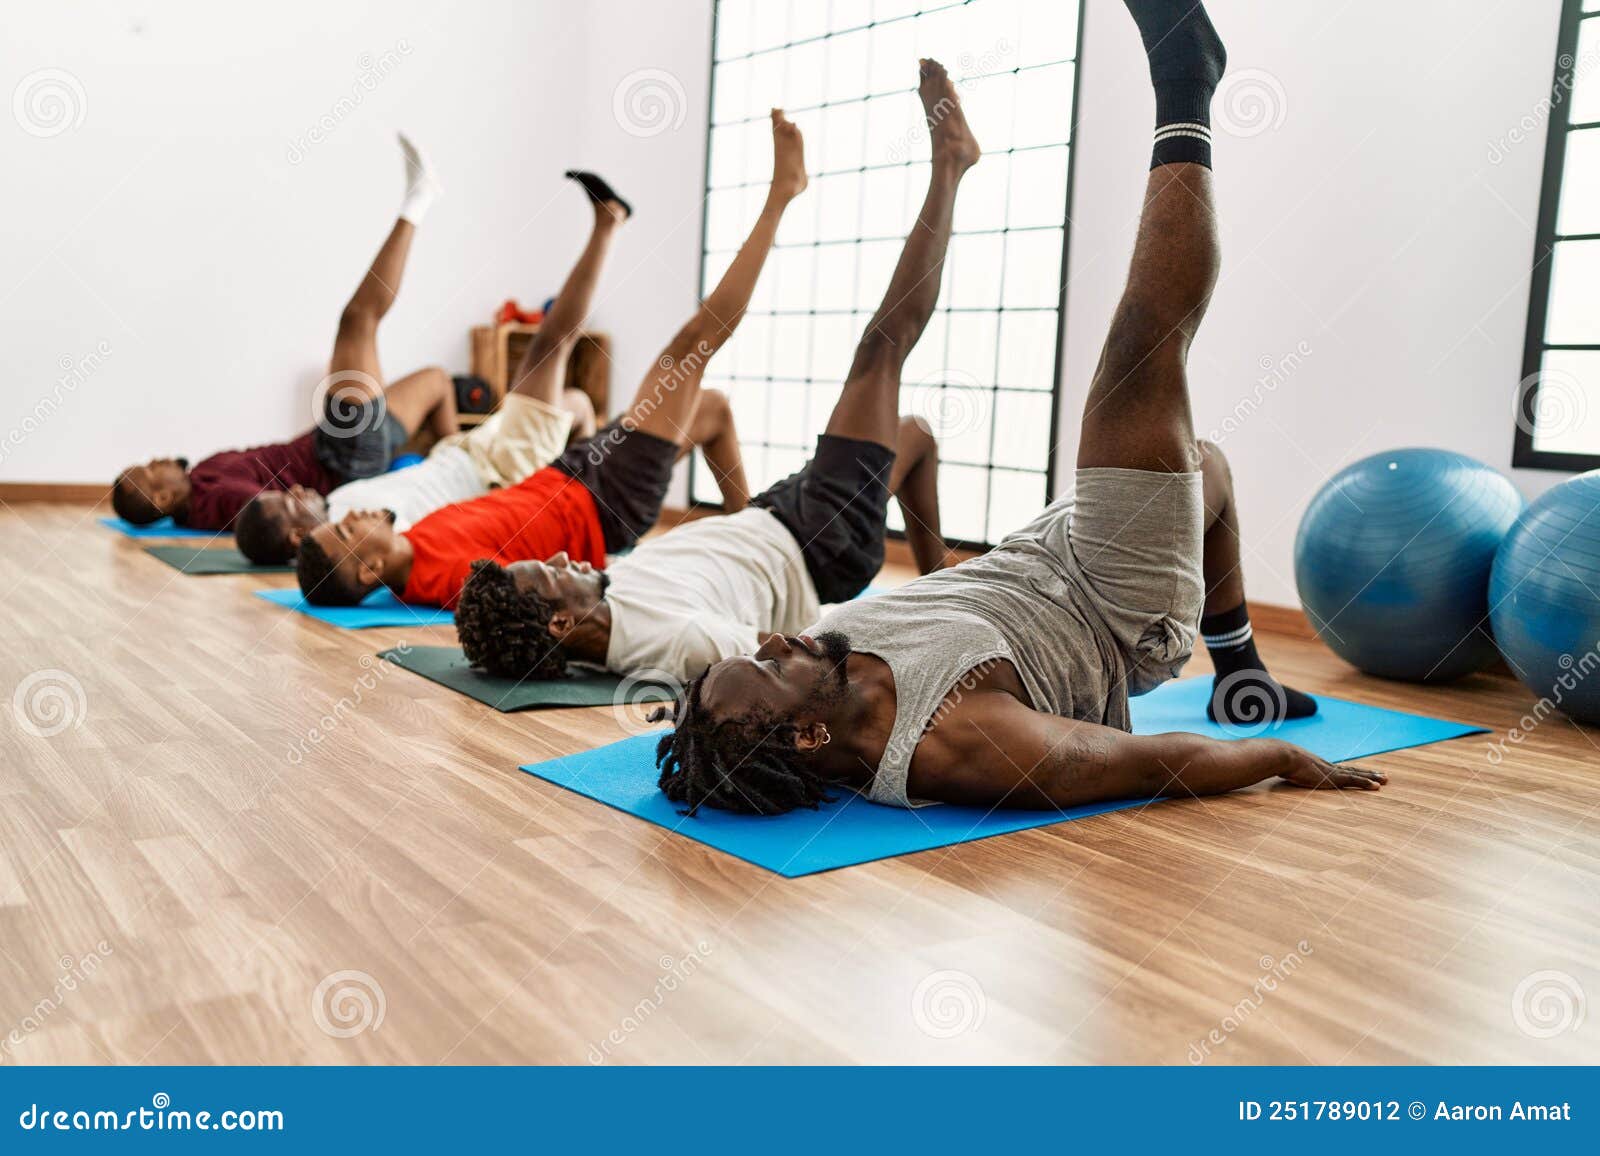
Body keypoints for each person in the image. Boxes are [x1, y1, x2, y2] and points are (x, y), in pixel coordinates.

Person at [654, 5, 1378, 819]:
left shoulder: (817, 676)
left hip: (1040, 559)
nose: (778, 638)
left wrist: (698, 714)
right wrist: (1272, 757)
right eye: (774, 665)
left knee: (1202, 464)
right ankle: (1188, 79)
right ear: (811, 739)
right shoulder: (959, 744)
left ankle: (1242, 670)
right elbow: (1141, 762)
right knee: (1139, 359)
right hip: (1115, 602)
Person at [296, 109, 809, 610]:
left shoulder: (414, 538)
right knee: (692, 347)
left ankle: (757, 551)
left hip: (570, 476)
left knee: (713, 409)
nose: (353, 513)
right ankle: (780, 197)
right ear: (368, 569)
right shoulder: (447, 581)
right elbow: (541, 595)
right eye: (346, 529)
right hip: (602, 505)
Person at [233, 169, 640, 563]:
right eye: (290, 501)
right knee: (549, 347)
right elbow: (431, 543)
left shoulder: (339, 505)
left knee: (575, 401)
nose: (297, 489)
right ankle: (609, 222)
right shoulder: (354, 533)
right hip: (497, 473)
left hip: (469, 453)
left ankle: (588, 495)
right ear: (298, 535)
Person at [111, 135, 462, 532]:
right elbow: (274, 512)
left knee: (437, 381)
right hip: (340, 454)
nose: (157, 458)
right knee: (357, 321)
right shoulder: (214, 497)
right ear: (161, 498)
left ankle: (461, 473)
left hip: (338, 448)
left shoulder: (201, 480)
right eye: (150, 469)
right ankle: (418, 200)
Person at [455, 414, 953, 683]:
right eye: (550, 572)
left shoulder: (597, 596)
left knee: (917, 433)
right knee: (893, 382)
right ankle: (946, 595)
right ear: (561, 622)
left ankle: (941, 585)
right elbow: (797, 652)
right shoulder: (676, 641)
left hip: (767, 517)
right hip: (817, 545)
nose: (561, 558)